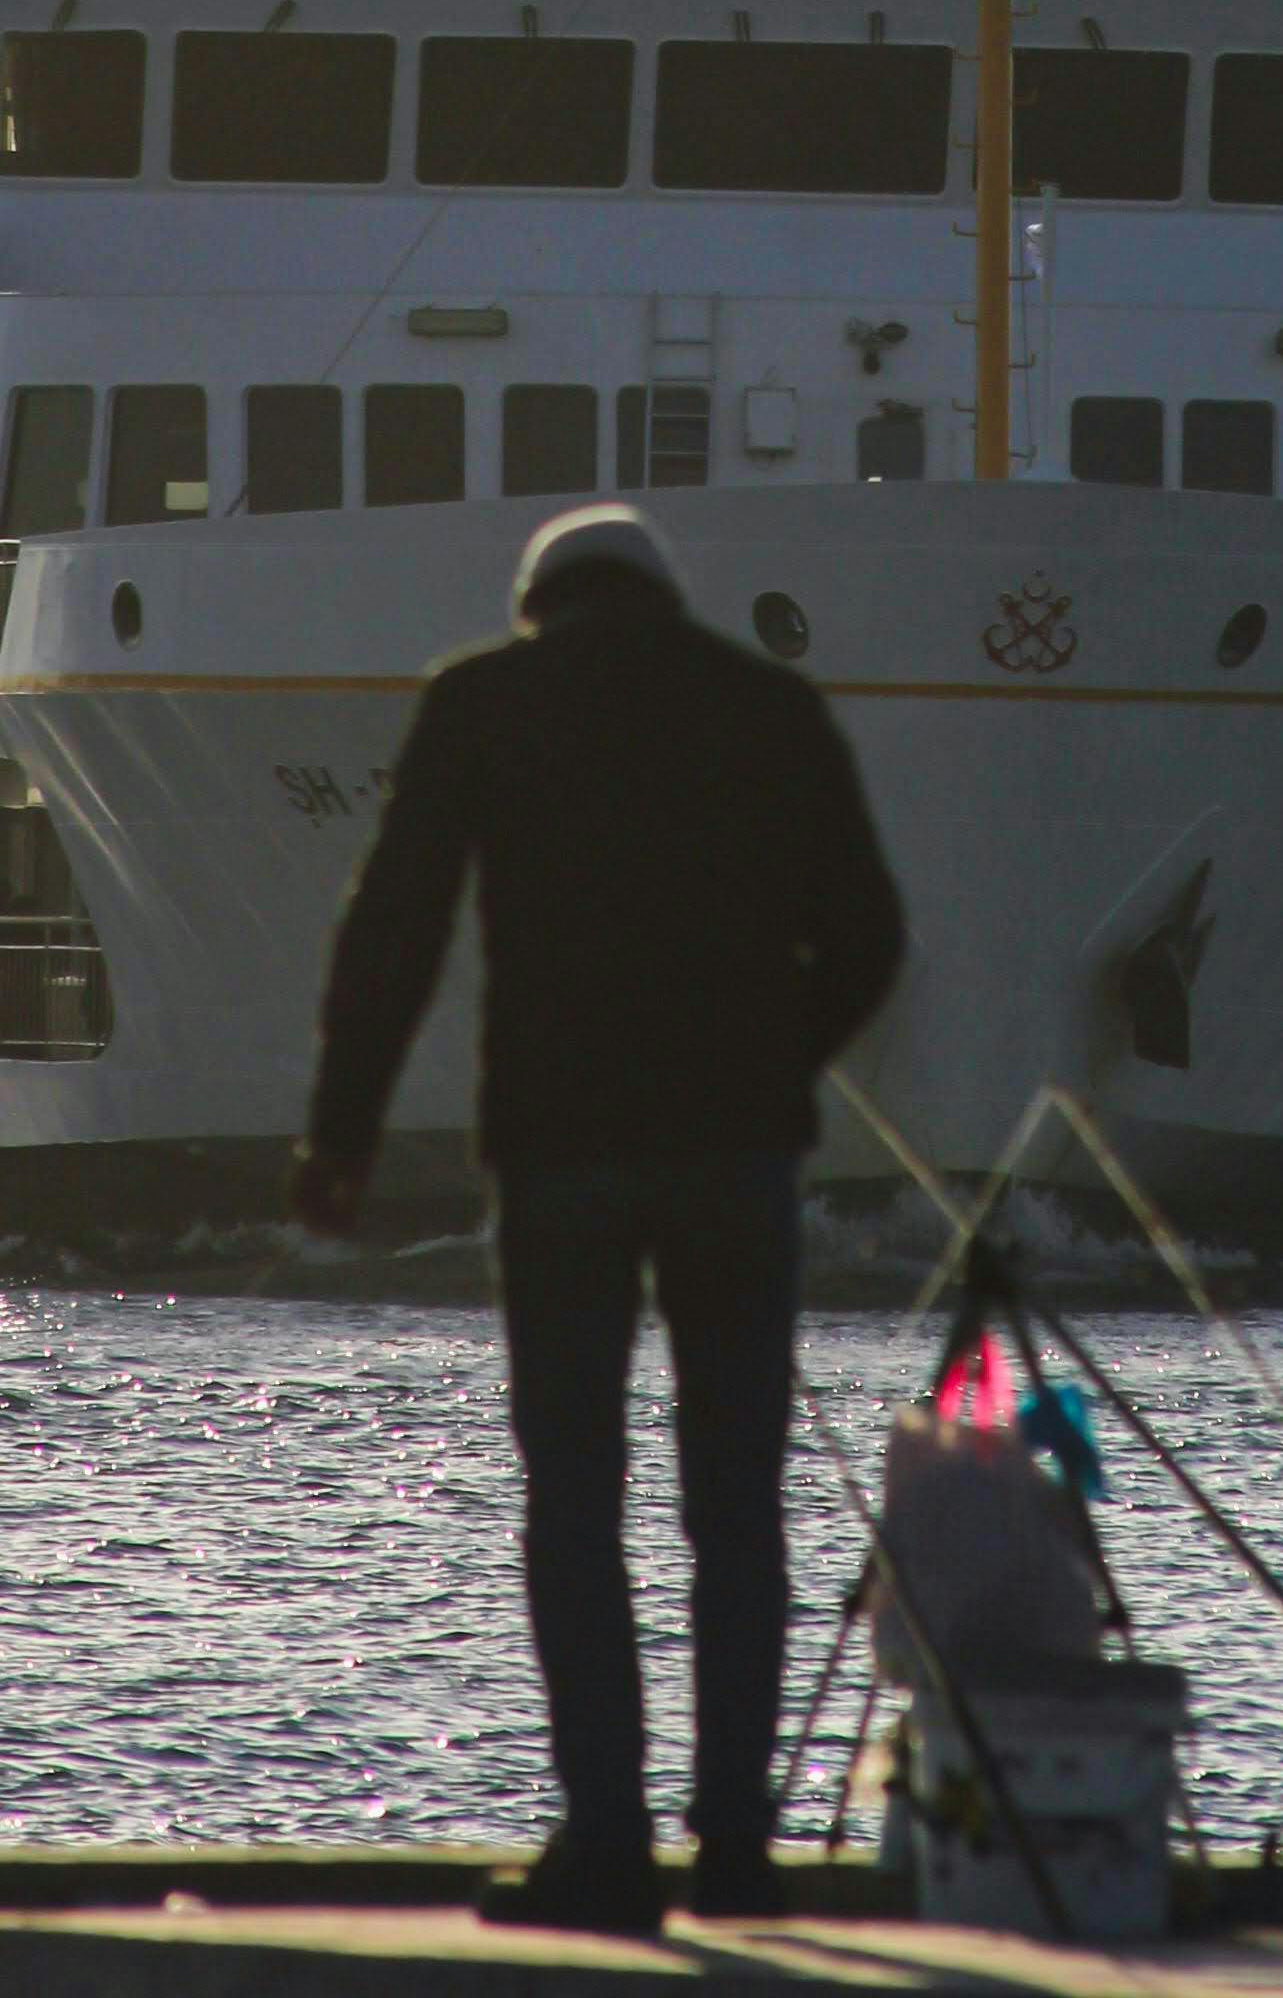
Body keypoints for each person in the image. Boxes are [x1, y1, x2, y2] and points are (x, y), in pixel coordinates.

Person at [293, 501, 907, 1939]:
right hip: (737, 1158)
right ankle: (739, 1850)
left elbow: (397, 925)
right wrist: (775, 1063)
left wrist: (342, 1136)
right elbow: (872, 937)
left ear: (541, 604)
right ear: (659, 594)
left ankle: (610, 1847)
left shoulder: (484, 701)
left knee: (575, 1500)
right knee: (737, 1507)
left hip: (561, 1155)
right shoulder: (768, 705)